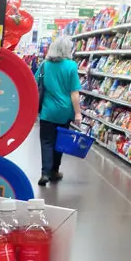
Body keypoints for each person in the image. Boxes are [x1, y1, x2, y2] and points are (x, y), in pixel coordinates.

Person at [36, 36, 82, 186]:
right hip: (65, 111)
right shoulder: (71, 66)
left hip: (47, 111)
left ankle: (44, 173)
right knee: (59, 143)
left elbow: (34, 84)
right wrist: (77, 113)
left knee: (46, 142)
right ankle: (54, 171)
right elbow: (74, 92)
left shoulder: (44, 65)